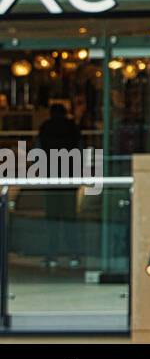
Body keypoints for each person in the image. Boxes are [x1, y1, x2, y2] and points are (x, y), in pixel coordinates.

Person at [36, 103, 83, 268]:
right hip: (69, 178)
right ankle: (74, 253)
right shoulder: (73, 128)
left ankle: (52, 254)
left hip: (51, 177)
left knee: (52, 219)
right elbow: (80, 150)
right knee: (70, 218)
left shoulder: (45, 128)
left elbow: (38, 152)